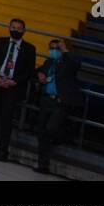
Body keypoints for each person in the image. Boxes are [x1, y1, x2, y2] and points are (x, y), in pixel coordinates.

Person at [0, 18, 36, 162]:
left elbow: (29, 71)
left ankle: (3, 151)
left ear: (24, 31)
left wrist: (14, 81)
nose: (15, 30)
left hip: (13, 88)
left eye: (19, 28)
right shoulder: (1, 41)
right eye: (13, 27)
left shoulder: (30, 48)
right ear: (8, 27)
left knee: (6, 120)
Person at [34, 39, 82, 174]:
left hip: (60, 101)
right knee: (42, 133)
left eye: (57, 48)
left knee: (51, 128)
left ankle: (68, 137)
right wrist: (40, 73)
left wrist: (65, 50)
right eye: (52, 48)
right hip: (46, 100)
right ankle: (43, 165)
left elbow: (76, 64)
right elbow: (40, 70)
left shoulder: (69, 62)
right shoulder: (49, 61)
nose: (54, 50)